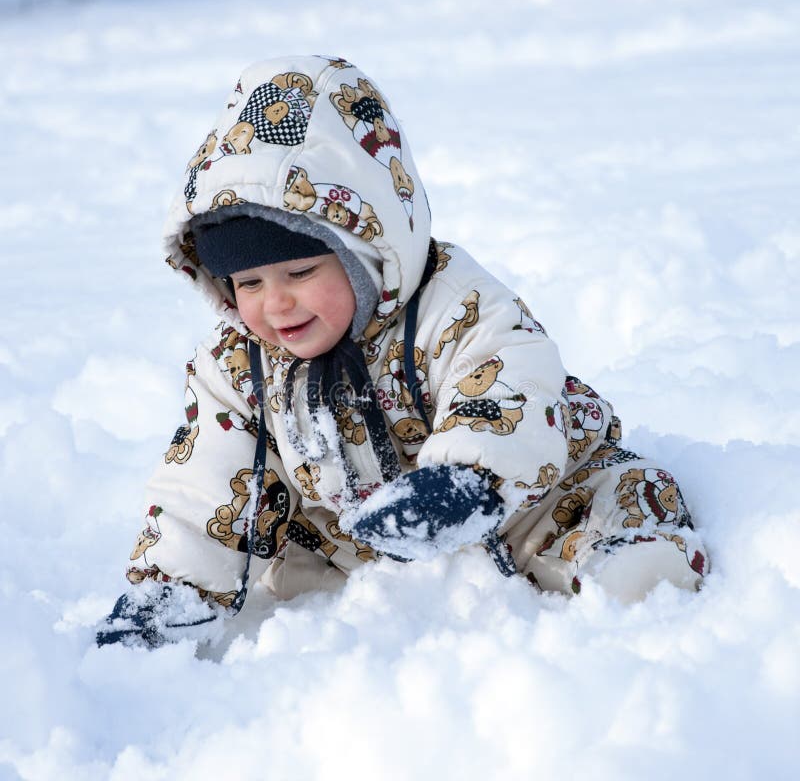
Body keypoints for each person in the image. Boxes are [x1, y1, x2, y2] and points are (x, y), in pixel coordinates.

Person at [97, 55, 708, 648]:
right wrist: (171, 585)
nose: (275, 303)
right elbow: (207, 479)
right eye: (248, 284)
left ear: (366, 251)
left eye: (301, 271)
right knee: (290, 564)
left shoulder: (451, 305)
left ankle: (639, 572)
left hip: (517, 501)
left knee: (611, 498)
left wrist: (465, 482)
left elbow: (504, 382)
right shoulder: (240, 365)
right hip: (359, 546)